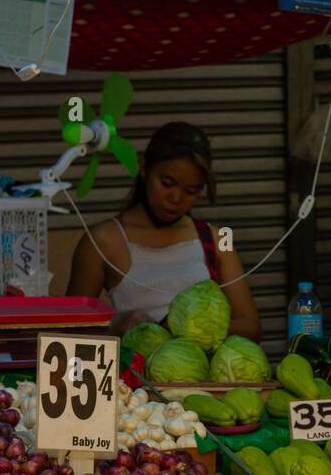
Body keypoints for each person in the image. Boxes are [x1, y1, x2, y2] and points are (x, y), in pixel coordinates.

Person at [67, 121, 261, 341]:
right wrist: (118, 323)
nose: (176, 198)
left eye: (191, 191)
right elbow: (70, 330)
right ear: (144, 169)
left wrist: (194, 329)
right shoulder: (103, 241)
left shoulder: (216, 240)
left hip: (201, 373)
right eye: (167, 183)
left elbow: (251, 326)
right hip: (134, 372)